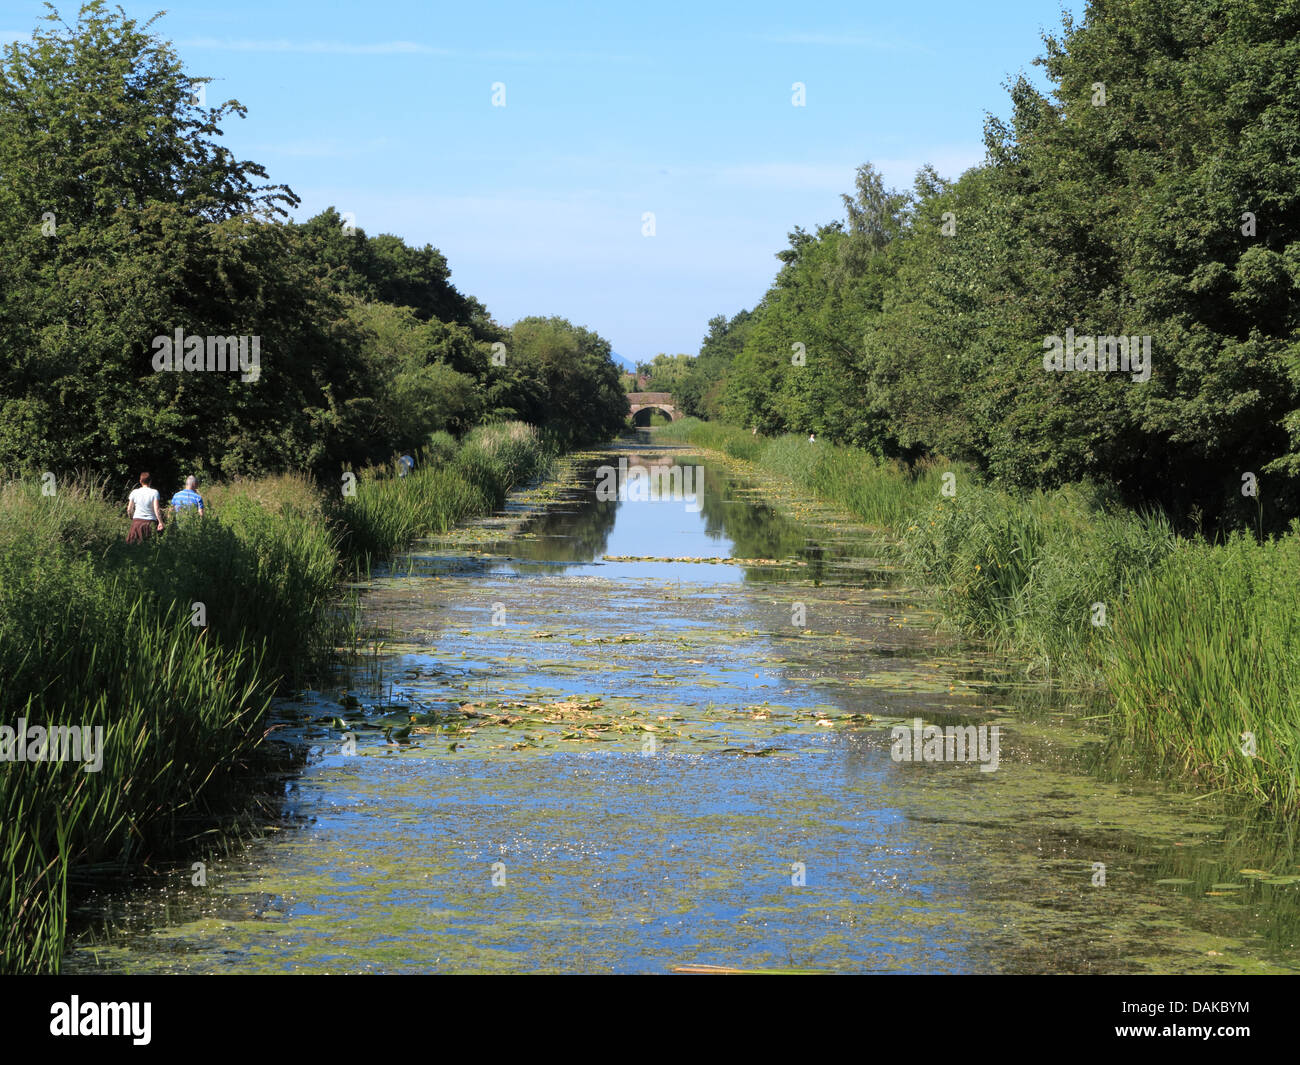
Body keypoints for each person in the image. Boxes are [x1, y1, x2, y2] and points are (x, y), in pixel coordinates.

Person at [125, 472, 164, 542]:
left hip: (136, 522)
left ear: (140, 481)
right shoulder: (154, 492)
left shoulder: (134, 492)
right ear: (150, 481)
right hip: (150, 522)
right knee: (149, 547)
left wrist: (132, 517)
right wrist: (160, 522)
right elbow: (156, 509)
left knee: (133, 547)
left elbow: (129, 509)